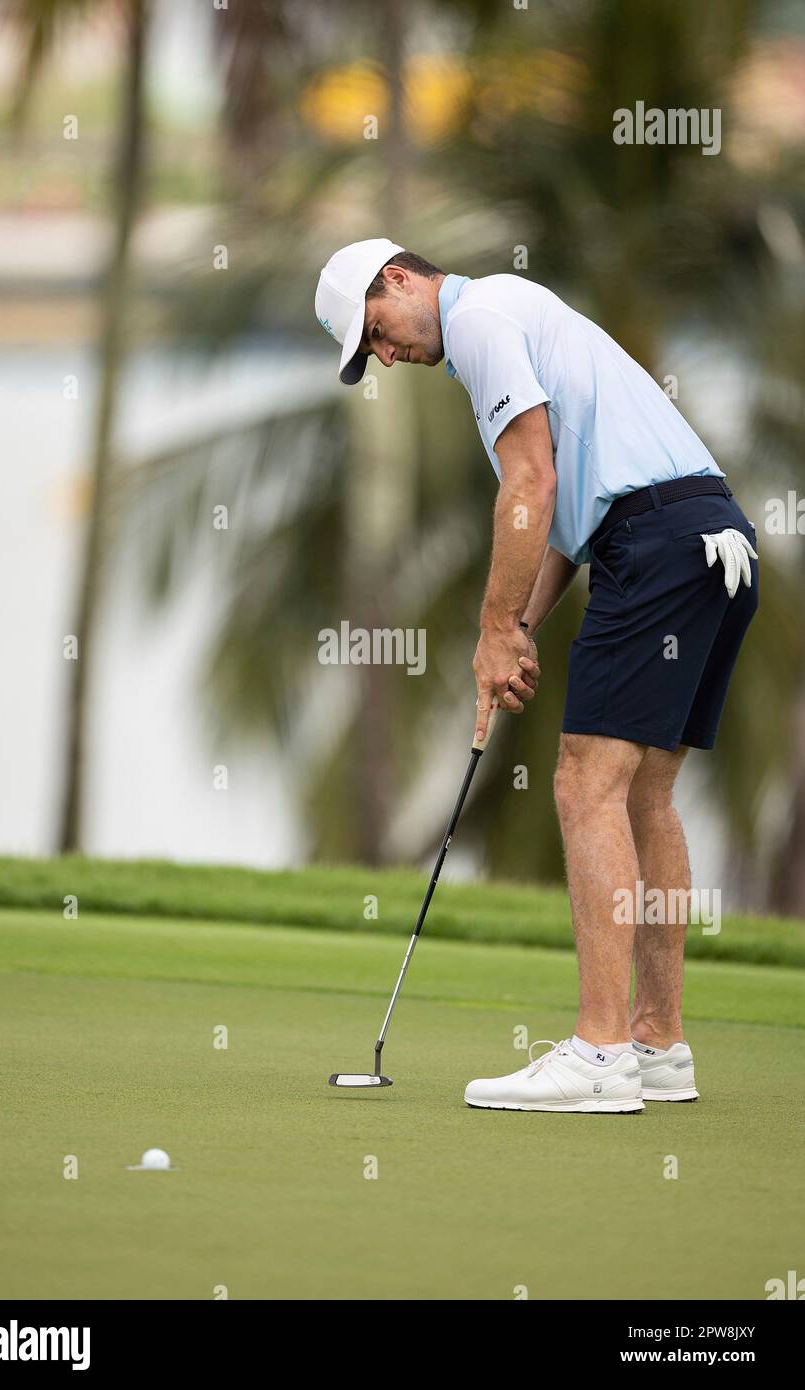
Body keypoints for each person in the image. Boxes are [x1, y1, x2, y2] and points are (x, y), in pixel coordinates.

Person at [315, 238, 758, 1113]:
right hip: (715, 538)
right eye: (371, 355)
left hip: (657, 546)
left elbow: (531, 482)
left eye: (376, 332)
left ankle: (598, 1056)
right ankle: (656, 1044)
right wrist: (514, 631)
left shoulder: (477, 320)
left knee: (585, 787)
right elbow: (563, 526)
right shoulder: (513, 310)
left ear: (398, 280)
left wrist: (489, 632)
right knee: (644, 798)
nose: (386, 356)